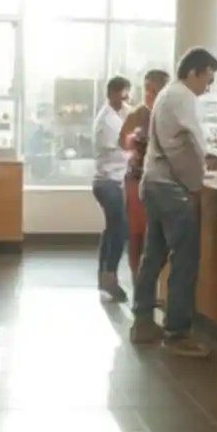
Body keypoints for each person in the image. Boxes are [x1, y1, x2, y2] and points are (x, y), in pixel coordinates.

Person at [130, 47, 217, 358]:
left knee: (153, 255)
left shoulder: (168, 94)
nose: (207, 87)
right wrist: (198, 180)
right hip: (172, 188)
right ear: (194, 72)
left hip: (153, 183)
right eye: (207, 79)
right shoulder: (183, 96)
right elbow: (191, 144)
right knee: (185, 259)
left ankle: (143, 320)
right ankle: (178, 331)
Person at [119, 69, 170, 288]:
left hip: (162, 180)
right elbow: (122, 141)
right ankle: (136, 279)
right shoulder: (137, 114)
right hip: (137, 179)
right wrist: (135, 144)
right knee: (137, 233)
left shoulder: (168, 114)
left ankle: (155, 285)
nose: (151, 95)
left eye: (156, 90)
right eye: (148, 90)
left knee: (157, 235)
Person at [92, 76, 131, 302]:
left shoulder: (118, 114)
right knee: (120, 230)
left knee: (112, 228)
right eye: (123, 93)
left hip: (113, 180)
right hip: (108, 182)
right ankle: (110, 277)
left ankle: (104, 276)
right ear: (112, 93)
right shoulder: (107, 120)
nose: (126, 98)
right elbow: (123, 146)